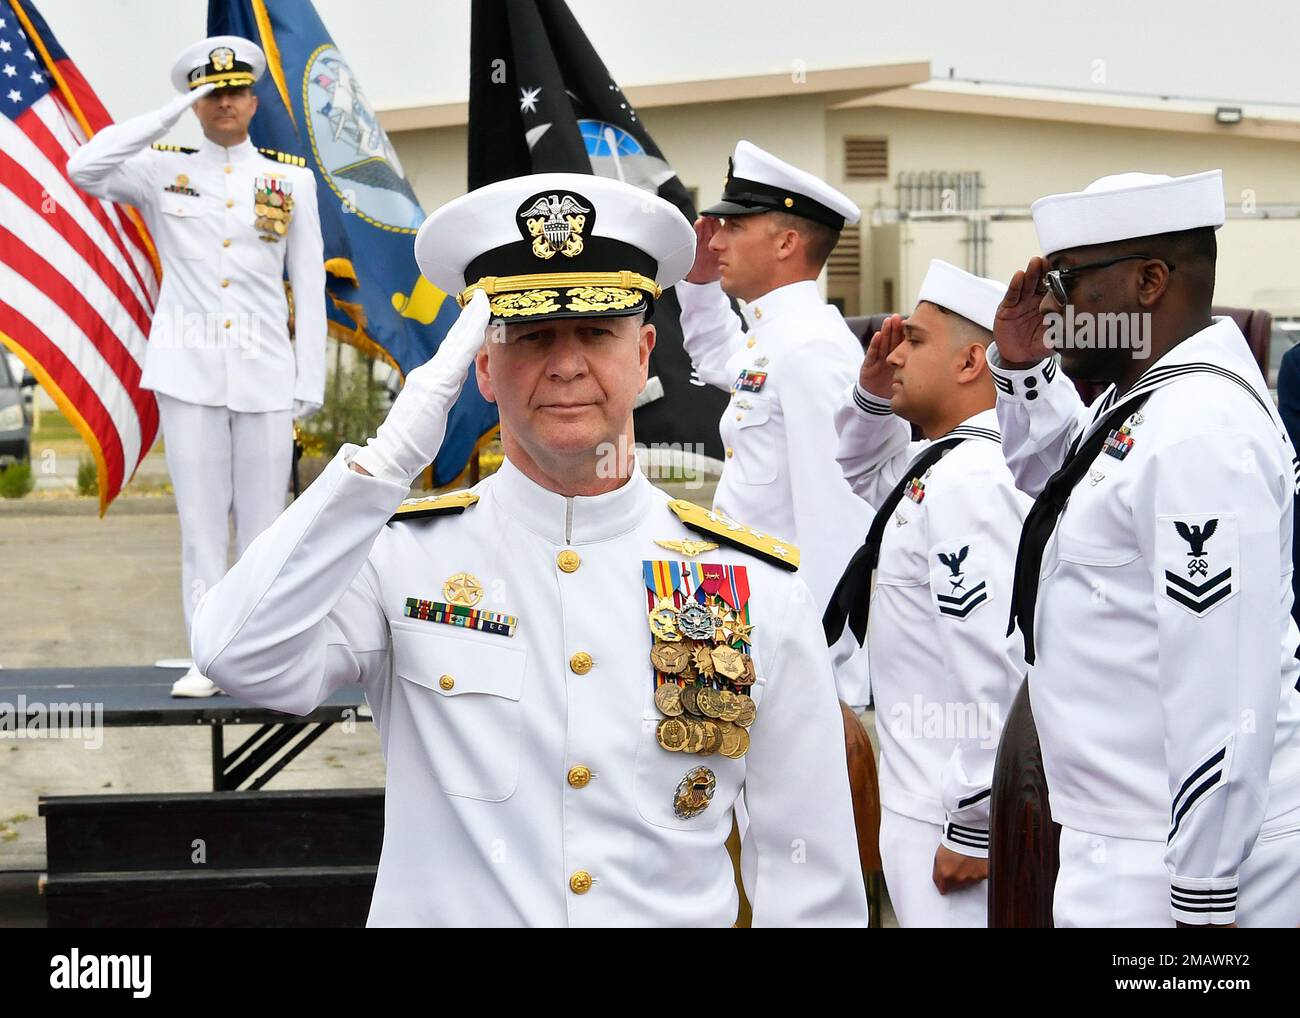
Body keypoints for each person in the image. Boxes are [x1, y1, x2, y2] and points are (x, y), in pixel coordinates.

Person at [190, 171, 869, 927]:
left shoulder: (755, 586)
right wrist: (386, 459)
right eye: (532, 335)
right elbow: (235, 651)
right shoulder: (398, 560)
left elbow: (810, 884)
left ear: (644, 352)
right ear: (482, 364)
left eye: (597, 333)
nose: (567, 364)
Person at [992, 169, 1300, 927]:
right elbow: (1056, 486)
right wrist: (1026, 369)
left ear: (1150, 280)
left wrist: (1201, 899)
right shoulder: (1147, 403)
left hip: (1177, 863)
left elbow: (1222, 691)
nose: (1051, 305)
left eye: (1065, 281)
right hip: (1125, 841)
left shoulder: (1199, 430)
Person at [67, 36, 325, 697]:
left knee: (266, 529)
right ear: (197, 100)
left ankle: (263, 656)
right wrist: (165, 113)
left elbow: (310, 283)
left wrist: (310, 378)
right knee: (202, 529)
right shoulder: (160, 169)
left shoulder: (289, 180)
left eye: (236, 90)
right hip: (187, 373)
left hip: (266, 371)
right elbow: (83, 168)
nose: (226, 102)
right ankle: (208, 658)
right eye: (211, 93)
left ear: (254, 97)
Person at [824, 260, 1029, 926]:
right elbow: (861, 469)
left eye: (914, 340)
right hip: (923, 798)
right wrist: (872, 395)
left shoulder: (975, 480)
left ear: (972, 360)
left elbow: (997, 663)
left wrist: (976, 825)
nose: (896, 353)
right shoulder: (943, 460)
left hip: (952, 815)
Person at [677, 141, 872, 706]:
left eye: (733, 227)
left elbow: (839, 523)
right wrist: (698, 282)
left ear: (787, 242)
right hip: (754, 632)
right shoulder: (782, 338)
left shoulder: (813, 350)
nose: (714, 239)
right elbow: (718, 356)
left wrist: (827, 675)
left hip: (797, 660)